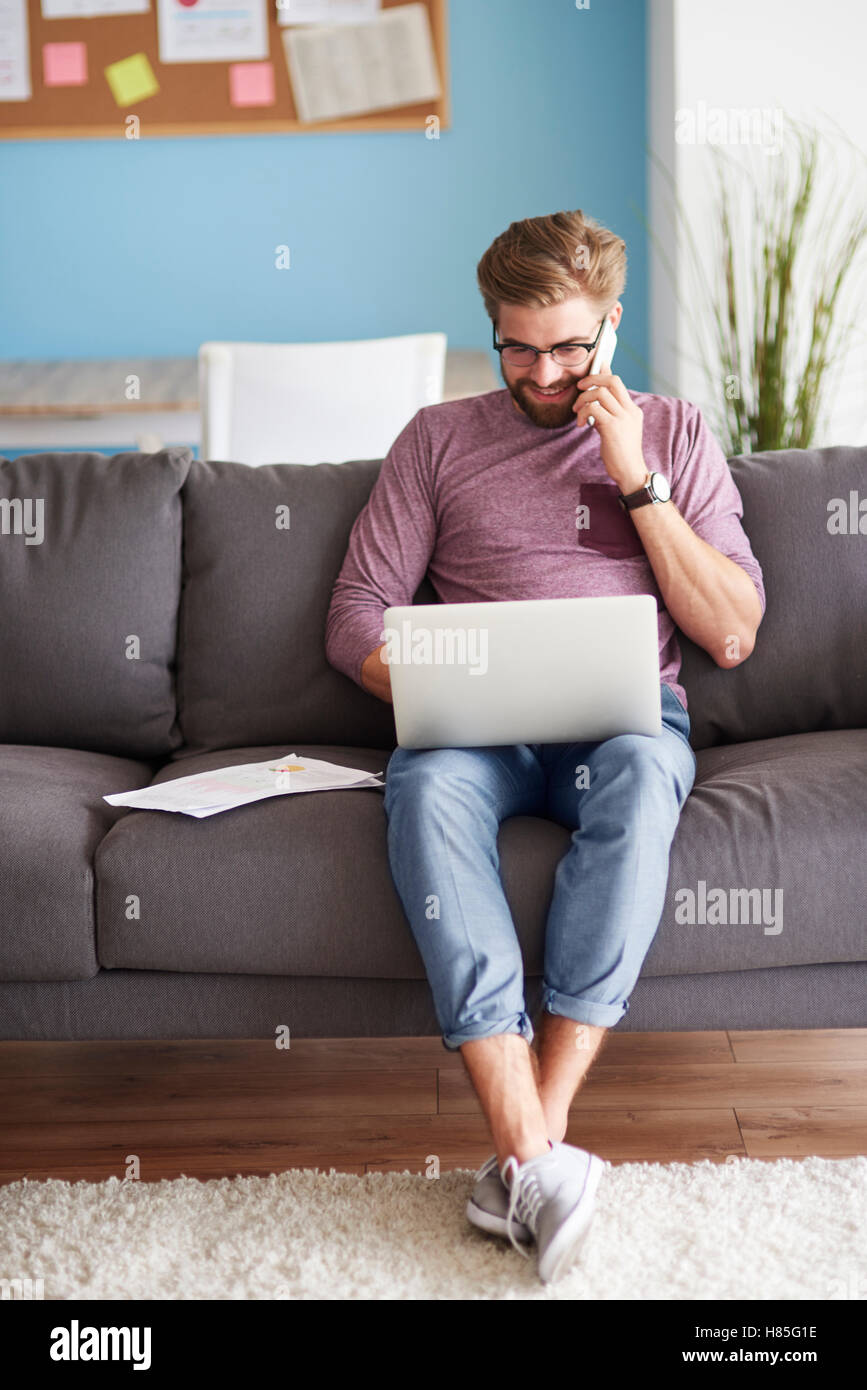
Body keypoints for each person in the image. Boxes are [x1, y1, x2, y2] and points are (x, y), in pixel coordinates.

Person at [325, 209, 765, 1284]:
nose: (543, 371)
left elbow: (733, 631)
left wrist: (638, 479)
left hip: (621, 723)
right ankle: (537, 1157)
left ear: (612, 328)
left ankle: (530, 1144)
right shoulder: (438, 439)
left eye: (569, 346)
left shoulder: (673, 430)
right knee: (421, 795)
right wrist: (442, 675)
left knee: (643, 774)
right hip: (475, 733)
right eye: (517, 345)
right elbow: (353, 618)